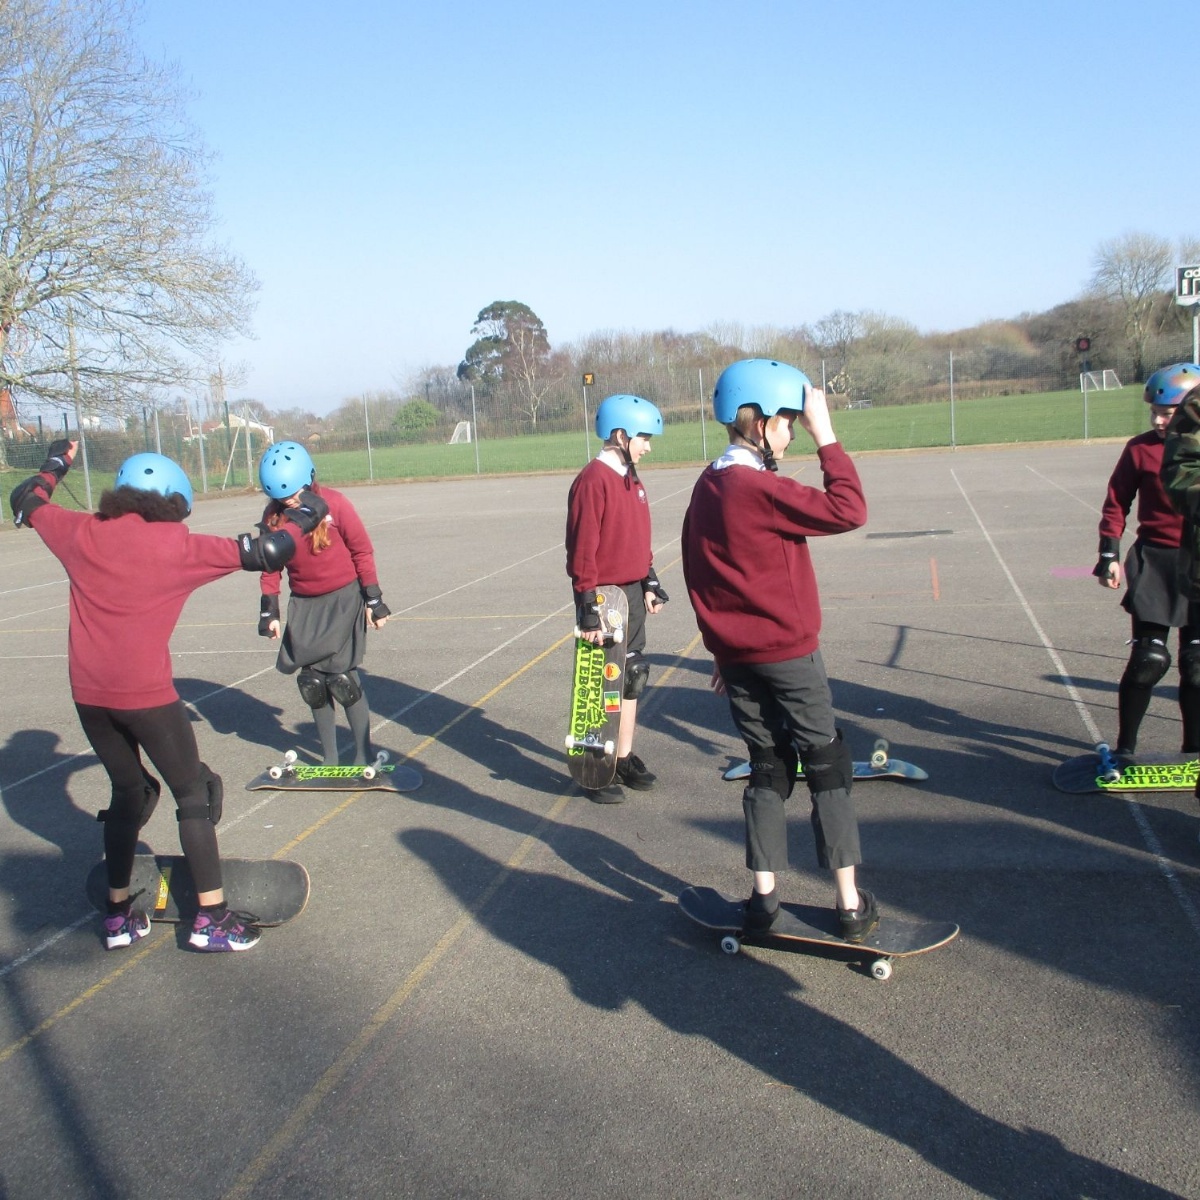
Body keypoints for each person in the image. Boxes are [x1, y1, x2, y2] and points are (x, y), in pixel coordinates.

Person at [9, 443, 326, 952]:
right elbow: (268, 551)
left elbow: (25, 502)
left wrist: (54, 465)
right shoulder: (175, 544)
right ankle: (212, 921)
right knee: (192, 796)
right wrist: (308, 512)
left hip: (89, 697)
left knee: (128, 794)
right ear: (173, 503)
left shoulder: (78, 530)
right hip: (147, 698)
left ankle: (116, 918)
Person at [680, 358, 877, 942]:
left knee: (766, 767)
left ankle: (763, 900)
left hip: (738, 661)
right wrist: (827, 435)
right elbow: (850, 510)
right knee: (825, 761)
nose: (791, 431)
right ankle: (848, 903)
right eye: (787, 421)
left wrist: (720, 651)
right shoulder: (757, 487)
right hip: (788, 655)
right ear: (759, 422)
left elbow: (699, 574)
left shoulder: (707, 484)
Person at [256, 441, 390, 766]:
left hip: (343, 599)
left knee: (342, 679)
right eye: (280, 496)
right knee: (312, 683)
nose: (288, 501)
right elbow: (269, 564)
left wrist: (374, 600)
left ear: (309, 478)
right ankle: (330, 760)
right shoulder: (274, 515)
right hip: (304, 605)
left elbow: (362, 550)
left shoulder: (336, 504)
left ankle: (363, 756)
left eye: (293, 493)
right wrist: (269, 610)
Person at [565, 394, 669, 798]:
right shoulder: (594, 480)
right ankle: (595, 765)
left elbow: (636, 536)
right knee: (600, 684)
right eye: (644, 437)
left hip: (630, 592)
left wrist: (649, 579)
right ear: (620, 434)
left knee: (632, 676)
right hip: (604, 596)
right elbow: (582, 548)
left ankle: (621, 757)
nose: (648, 446)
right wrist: (587, 606)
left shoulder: (630, 476)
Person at [1095, 363, 1200, 762]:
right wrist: (1109, 555)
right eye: (1153, 412)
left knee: (1196, 662)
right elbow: (1117, 501)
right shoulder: (1140, 449)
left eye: (1168, 412)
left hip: (1197, 562)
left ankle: (1194, 751)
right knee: (1148, 659)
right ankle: (1125, 748)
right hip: (1156, 560)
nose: (1158, 420)